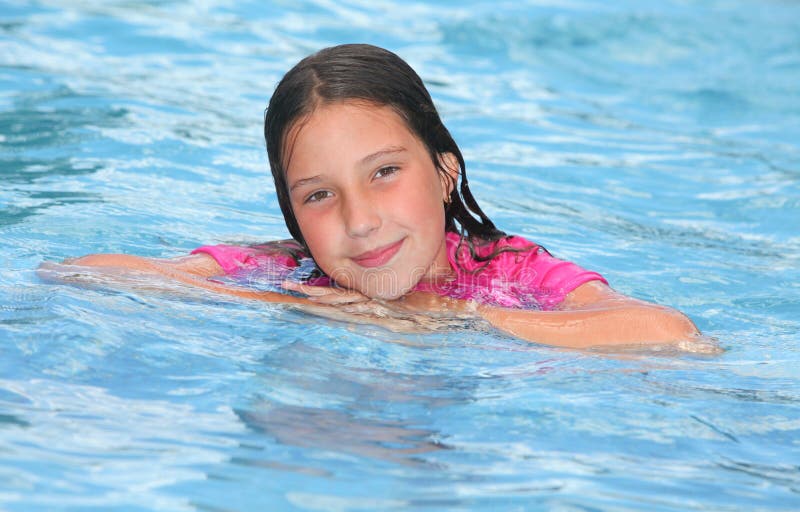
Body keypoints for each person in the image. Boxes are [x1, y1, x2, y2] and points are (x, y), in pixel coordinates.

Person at [41, 44, 713, 351]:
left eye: (385, 172)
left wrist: (442, 321)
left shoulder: (505, 271)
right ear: (292, 214)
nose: (359, 222)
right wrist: (294, 307)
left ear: (444, 170)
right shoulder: (292, 273)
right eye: (318, 195)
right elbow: (78, 274)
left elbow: (668, 332)